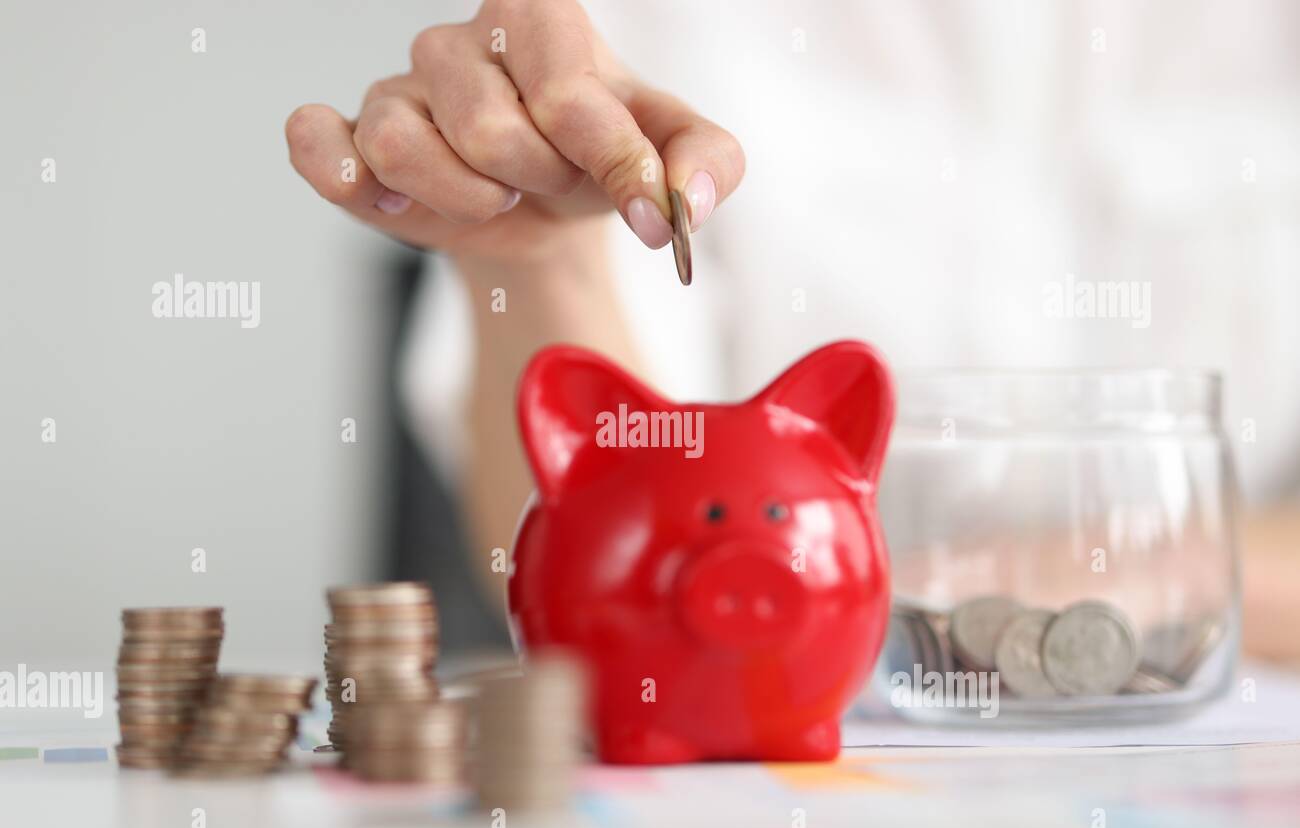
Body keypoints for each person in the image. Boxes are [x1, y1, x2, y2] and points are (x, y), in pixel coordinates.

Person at [285, 0, 1299, 660]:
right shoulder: (638, 25)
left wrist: (1017, 582)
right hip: (772, 713)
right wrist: (539, 256)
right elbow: (589, 522)